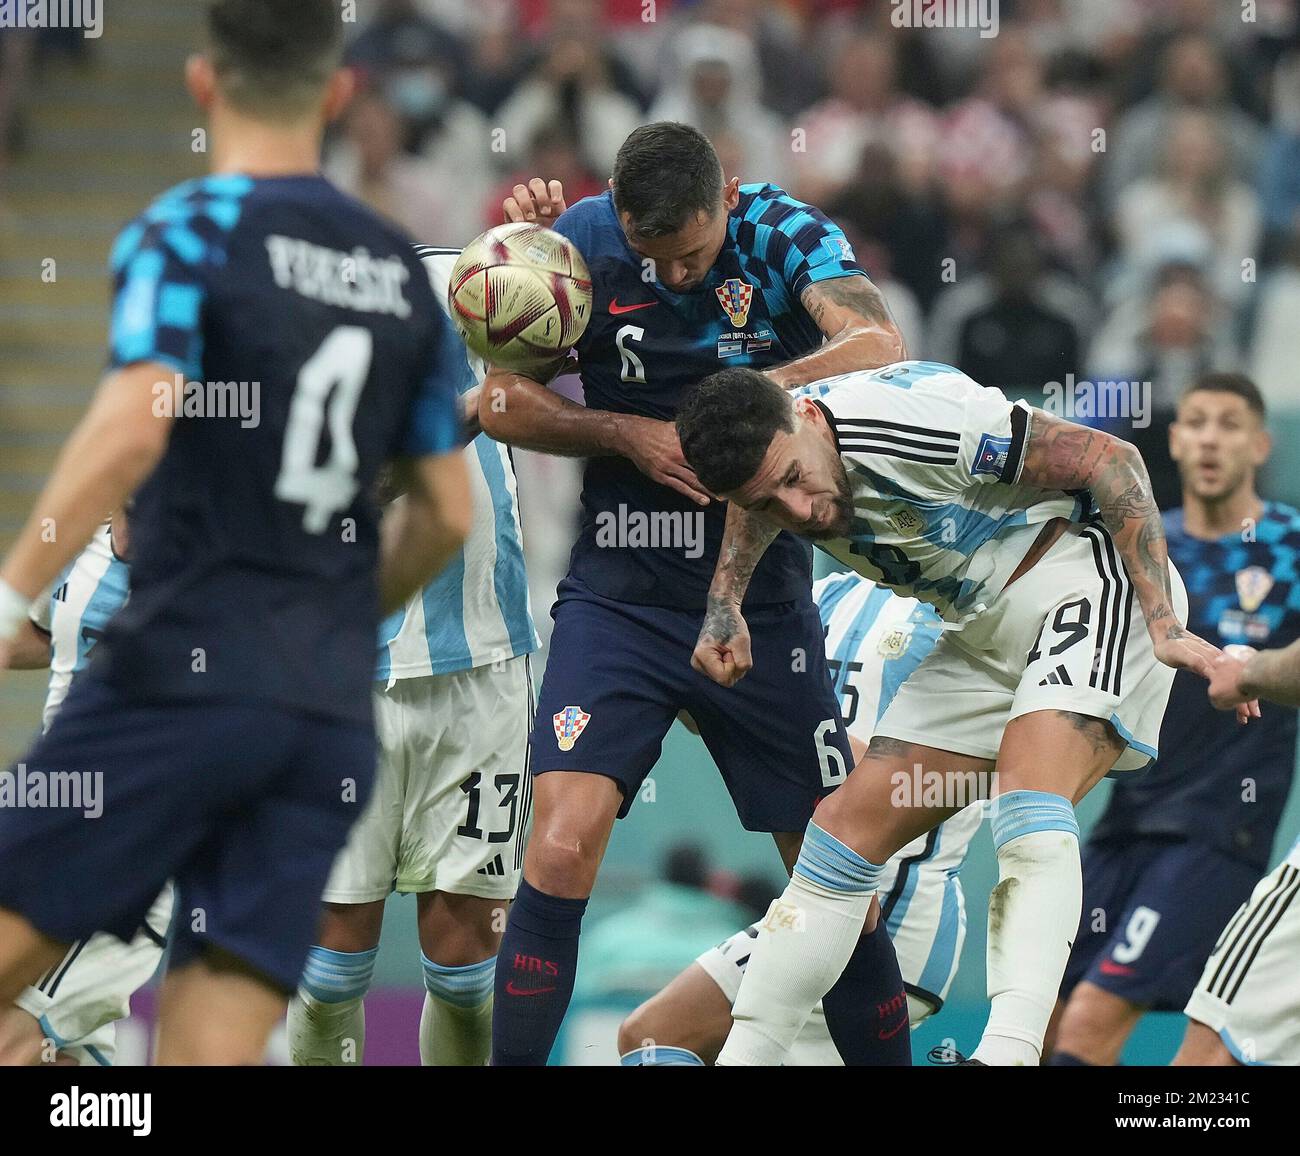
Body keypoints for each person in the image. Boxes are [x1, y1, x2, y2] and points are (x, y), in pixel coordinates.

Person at [0, 0, 471, 1065]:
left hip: (177, 675)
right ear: (341, 94)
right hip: (318, 715)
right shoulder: (397, 269)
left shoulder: (190, 228)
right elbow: (447, 511)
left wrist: (12, 589)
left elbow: (133, 419)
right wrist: (337, 624)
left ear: (204, 82)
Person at [675, 358, 1259, 1066]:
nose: (797, 512)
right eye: (769, 501)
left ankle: (1008, 1054)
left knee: (1027, 800)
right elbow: (755, 488)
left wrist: (1163, 623)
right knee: (837, 837)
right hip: (978, 622)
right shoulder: (773, 449)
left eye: (795, 481)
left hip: (1084, 576)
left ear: (808, 418)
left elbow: (1112, 458)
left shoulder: (914, 425)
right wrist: (726, 599)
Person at [481, 121, 909, 1067]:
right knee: (556, 849)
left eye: (690, 256)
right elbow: (497, 403)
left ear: (726, 199)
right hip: (618, 596)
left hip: (761, 602)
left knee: (835, 880)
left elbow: (880, 343)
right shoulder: (582, 246)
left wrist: (747, 403)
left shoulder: (783, 233)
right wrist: (623, 435)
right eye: (650, 256)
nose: (670, 277)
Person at [289, 246, 537, 1068]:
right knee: (329, 969)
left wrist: (536, 242)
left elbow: (525, 286)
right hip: (339, 687)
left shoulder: (435, 282)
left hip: (484, 670)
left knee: (466, 972)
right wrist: (479, 406)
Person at [619, 570, 983, 1066]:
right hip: (809, 898)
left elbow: (961, 774)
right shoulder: (826, 591)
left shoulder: (968, 606)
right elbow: (739, 709)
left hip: (896, 907)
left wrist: (797, 741)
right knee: (653, 1035)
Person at [1050, 373, 1300, 1066]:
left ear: (1259, 444)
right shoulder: (1147, 548)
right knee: (1040, 1016)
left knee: (1091, 1022)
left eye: (1228, 424)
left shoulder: (1290, 545)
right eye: (1196, 423)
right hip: (1126, 819)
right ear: (1178, 441)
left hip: (1217, 831)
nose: (1211, 438)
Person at [0, 511, 171, 1067]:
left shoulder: (208, 562)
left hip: (131, 848)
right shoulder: (81, 544)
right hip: (46, 821)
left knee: (11, 1039)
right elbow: (45, 633)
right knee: (56, 1053)